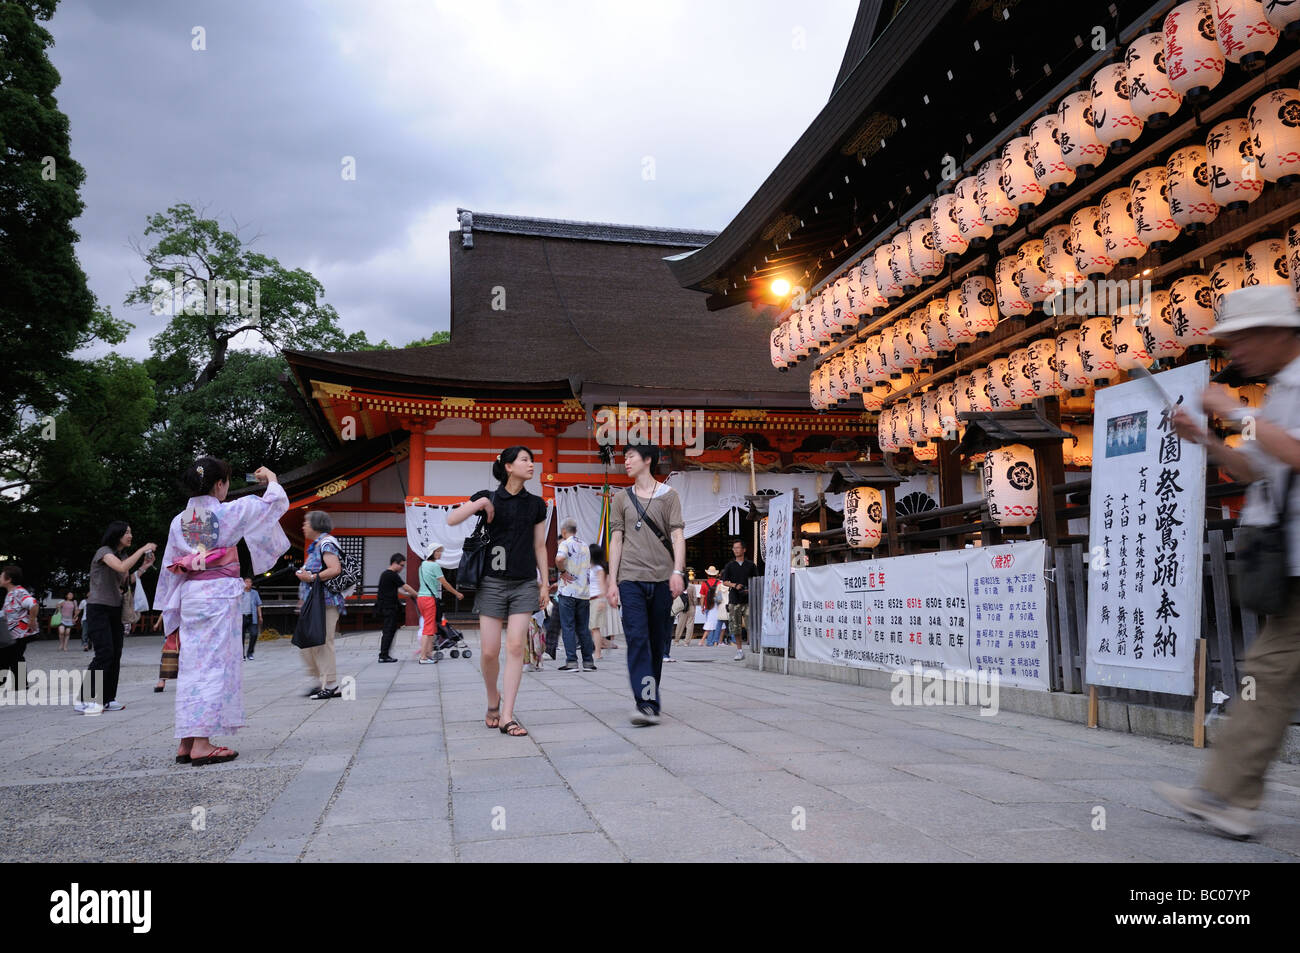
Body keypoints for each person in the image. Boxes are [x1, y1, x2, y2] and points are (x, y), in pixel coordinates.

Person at [1156, 284, 1300, 839]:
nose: (1233, 351)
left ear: (1277, 332)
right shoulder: (1282, 390)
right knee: (1267, 676)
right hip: (1288, 559)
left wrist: (1234, 412)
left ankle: (1227, 797)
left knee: (1267, 676)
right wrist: (1204, 441)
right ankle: (1228, 797)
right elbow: (1255, 471)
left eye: (1241, 339)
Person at [154, 458, 288, 765]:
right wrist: (271, 478)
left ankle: (187, 741)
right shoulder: (228, 511)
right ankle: (202, 744)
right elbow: (273, 505)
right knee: (214, 665)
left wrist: (168, 606)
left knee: (193, 666)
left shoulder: (179, 521)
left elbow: (169, 567)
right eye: (226, 481)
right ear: (219, 484)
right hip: (218, 597)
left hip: (191, 596)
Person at [447, 445, 549, 737]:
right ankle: (493, 699)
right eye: (525, 460)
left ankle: (507, 715)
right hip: (491, 582)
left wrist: (544, 582)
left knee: (516, 646)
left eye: (532, 460)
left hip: (524, 582)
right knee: (489, 651)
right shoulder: (488, 496)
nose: (531, 465)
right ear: (508, 466)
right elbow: (452, 519)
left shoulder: (537, 504)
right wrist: (480, 505)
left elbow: (539, 546)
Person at [606, 443, 685, 726]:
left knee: (655, 641)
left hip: (662, 578)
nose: (625, 462)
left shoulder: (669, 496)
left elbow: (677, 536)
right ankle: (647, 703)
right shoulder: (620, 499)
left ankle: (649, 696)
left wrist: (678, 571)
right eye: (624, 457)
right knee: (637, 639)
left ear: (647, 460)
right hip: (630, 579)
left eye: (630, 457)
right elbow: (616, 540)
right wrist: (612, 580)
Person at [77, 522, 157, 714]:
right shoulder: (104, 552)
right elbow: (121, 567)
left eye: (131, 531)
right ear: (117, 534)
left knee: (116, 654)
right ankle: (84, 699)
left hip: (115, 609)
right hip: (98, 608)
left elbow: (125, 580)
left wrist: (144, 567)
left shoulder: (123, 555)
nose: (130, 535)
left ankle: (107, 698)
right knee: (104, 653)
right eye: (127, 532)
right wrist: (142, 550)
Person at [296, 510, 345, 699]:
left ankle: (330, 684)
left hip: (325, 601)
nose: (303, 526)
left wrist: (311, 576)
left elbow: (334, 569)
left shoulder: (327, 543)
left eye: (306, 523)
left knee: (323, 642)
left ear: (316, 524)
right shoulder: (317, 545)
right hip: (315, 601)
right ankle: (320, 681)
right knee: (308, 643)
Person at [554, 518, 596, 672]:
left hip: (568, 590)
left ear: (564, 531)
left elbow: (559, 558)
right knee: (583, 628)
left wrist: (562, 571)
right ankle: (588, 662)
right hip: (584, 592)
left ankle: (572, 661)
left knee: (568, 627)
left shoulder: (565, 543)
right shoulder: (585, 545)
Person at [416, 545, 463, 662]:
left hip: (421, 598)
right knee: (428, 628)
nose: (440, 554)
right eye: (438, 551)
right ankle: (423, 657)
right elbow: (444, 583)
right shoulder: (435, 565)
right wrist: (457, 593)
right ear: (432, 552)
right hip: (429, 599)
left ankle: (428, 654)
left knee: (430, 627)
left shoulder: (422, 565)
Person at [721, 539, 760, 661]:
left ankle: (753, 648)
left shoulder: (751, 565)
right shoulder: (729, 566)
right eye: (734, 548)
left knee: (751, 625)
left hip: (749, 599)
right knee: (735, 626)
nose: (736, 550)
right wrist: (735, 585)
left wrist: (751, 589)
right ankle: (739, 650)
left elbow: (756, 579)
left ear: (744, 549)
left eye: (738, 548)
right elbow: (725, 581)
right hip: (734, 599)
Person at [1, 566, 39, 690]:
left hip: (20, 633)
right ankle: (19, 683)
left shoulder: (19, 592)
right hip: (12, 633)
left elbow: (33, 603)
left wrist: (32, 620)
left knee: (12, 656)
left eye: (1, 575)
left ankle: (20, 683)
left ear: (8, 579)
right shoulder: (11, 593)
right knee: (9, 657)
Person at [377, 553, 418, 663]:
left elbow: (397, 589)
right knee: (388, 631)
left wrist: (408, 595)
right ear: (394, 563)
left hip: (387, 606)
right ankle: (383, 655)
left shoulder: (386, 574)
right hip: (388, 607)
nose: (402, 568)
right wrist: (417, 595)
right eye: (401, 565)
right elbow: (405, 586)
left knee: (389, 630)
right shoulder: (391, 574)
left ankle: (384, 654)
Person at [588, 543, 611, 659]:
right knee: (592, 627)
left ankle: (598, 652)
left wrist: (602, 600)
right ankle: (596, 649)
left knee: (595, 627)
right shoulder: (589, 567)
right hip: (589, 599)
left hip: (597, 599)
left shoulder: (599, 569)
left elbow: (603, 586)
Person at [697, 567, 723, 647]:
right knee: (717, 624)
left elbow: (702, 597)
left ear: (708, 574)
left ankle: (709, 642)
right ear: (716, 575)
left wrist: (702, 607)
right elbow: (721, 596)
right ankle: (716, 641)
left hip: (708, 606)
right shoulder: (719, 583)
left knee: (710, 623)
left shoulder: (704, 584)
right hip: (717, 606)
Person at [240, 577, 264, 660]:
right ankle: (241, 655)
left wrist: (260, 616)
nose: (248, 583)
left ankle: (250, 653)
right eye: (246, 582)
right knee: (240, 637)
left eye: (250, 582)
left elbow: (258, 605)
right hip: (241, 617)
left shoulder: (254, 593)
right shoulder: (239, 593)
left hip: (252, 617)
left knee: (254, 634)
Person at [671, 578, 696, 646]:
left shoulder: (680, 586)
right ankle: (686, 642)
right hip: (691, 607)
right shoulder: (692, 587)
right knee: (690, 625)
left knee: (680, 625)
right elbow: (695, 599)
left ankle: (676, 641)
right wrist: (694, 606)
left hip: (682, 607)